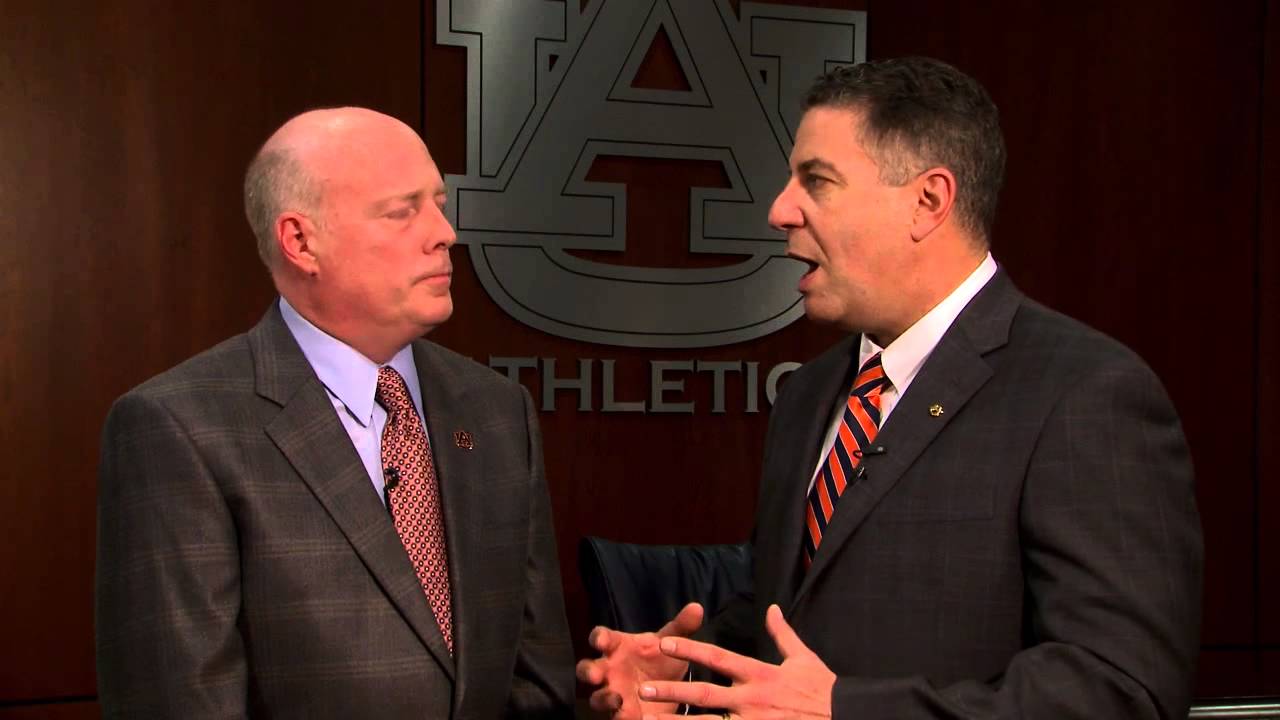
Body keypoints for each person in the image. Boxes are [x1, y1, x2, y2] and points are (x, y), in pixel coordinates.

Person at [577, 57, 1202, 719]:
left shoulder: (1085, 394)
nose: (779, 209)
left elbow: (1123, 690)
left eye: (816, 180)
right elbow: (793, 618)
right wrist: (688, 669)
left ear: (927, 202)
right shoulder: (808, 396)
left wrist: (849, 711)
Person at [96, 107, 574, 718]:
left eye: (438, 203)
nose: (445, 232)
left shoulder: (497, 409)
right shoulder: (179, 429)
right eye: (404, 211)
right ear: (301, 241)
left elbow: (535, 681)